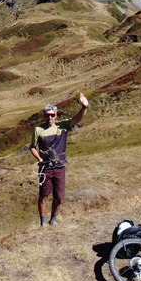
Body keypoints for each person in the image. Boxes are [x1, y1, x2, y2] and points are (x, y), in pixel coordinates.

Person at [31, 92, 88, 226]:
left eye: (52, 115)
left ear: (56, 116)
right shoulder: (38, 130)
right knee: (44, 195)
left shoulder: (63, 126)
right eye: (47, 115)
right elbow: (32, 147)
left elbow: (77, 119)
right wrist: (39, 158)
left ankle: (53, 219)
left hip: (60, 167)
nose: (50, 117)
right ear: (44, 116)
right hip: (45, 168)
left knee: (59, 197)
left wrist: (84, 107)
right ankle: (43, 221)